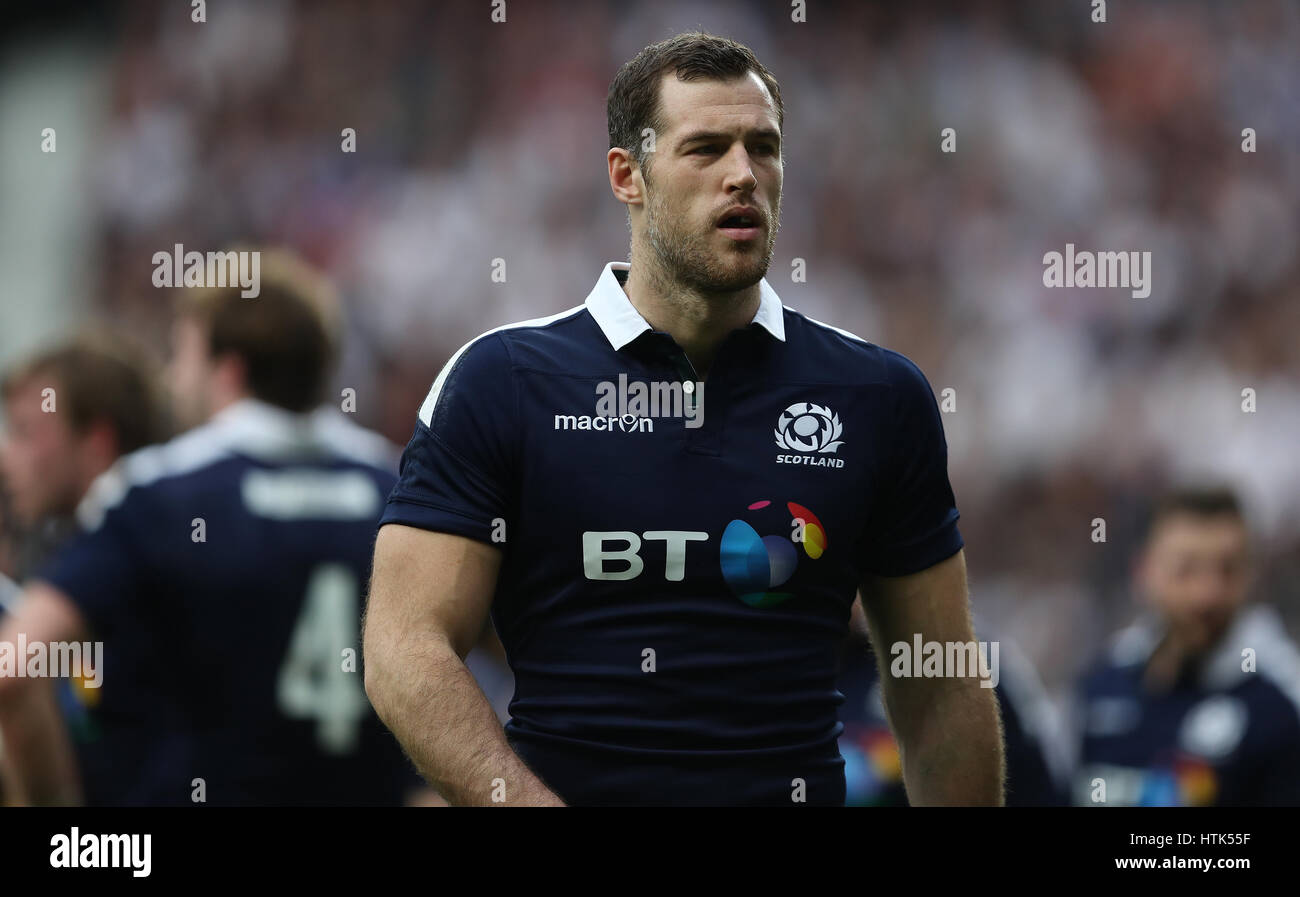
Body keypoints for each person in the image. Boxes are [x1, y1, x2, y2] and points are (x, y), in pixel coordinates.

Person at [363, 31, 1003, 806]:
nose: (743, 175)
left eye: (762, 148)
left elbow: (938, 682)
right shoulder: (504, 383)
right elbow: (404, 646)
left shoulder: (876, 395)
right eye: (705, 149)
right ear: (627, 175)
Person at [0, 251, 417, 805]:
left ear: (229, 369)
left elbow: (15, 665)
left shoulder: (158, 493)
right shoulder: (396, 487)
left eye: (182, 354)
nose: (171, 378)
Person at [1074, 486, 1300, 806]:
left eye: (1228, 569)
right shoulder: (1101, 686)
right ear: (1143, 572)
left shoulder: (1279, 704)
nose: (1207, 594)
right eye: (1185, 570)